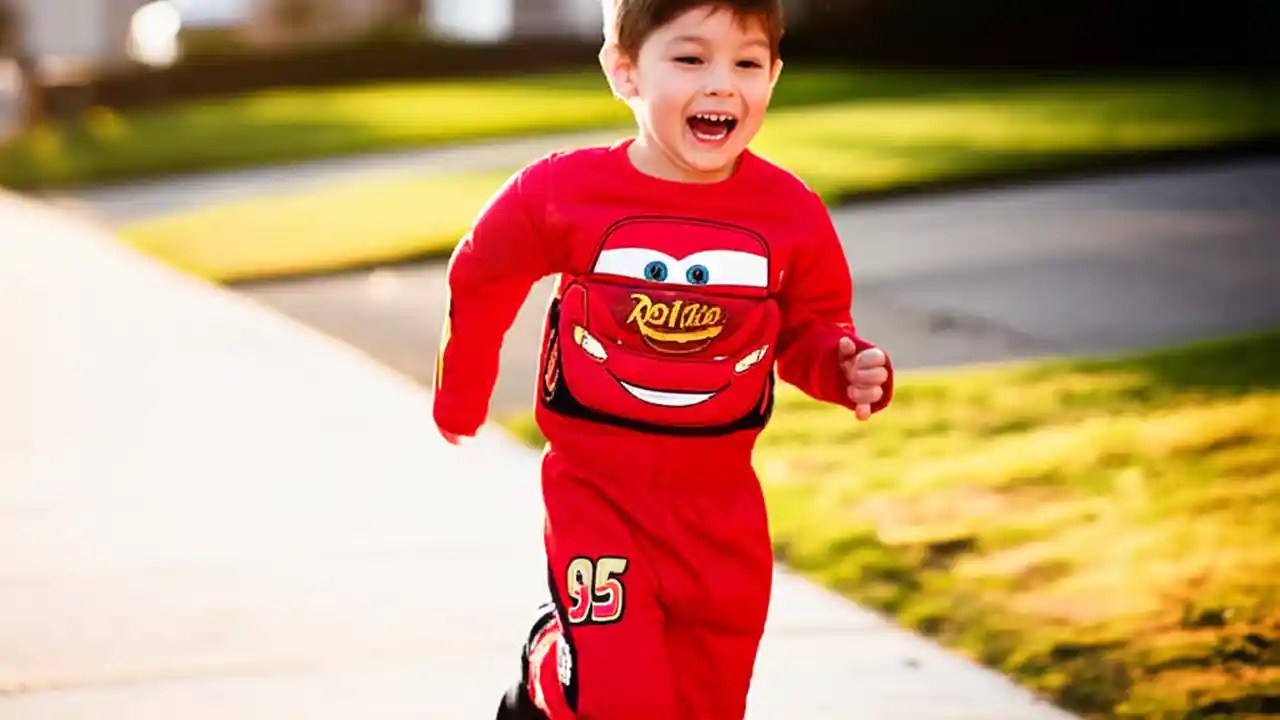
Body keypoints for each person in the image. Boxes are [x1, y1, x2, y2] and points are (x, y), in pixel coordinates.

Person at [432, 1, 894, 717]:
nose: (721, 83)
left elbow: (812, 326)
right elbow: (482, 273)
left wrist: (843, 367)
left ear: (773, 76)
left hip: (722, 511)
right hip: (597, 496)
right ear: (625, 72)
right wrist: (462, 394)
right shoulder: (563, 192)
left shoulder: (790, 213)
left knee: (708, 699)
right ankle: (553, 671)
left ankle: (570, 669)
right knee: (623, 698)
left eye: (746, 62)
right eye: (689, 58)